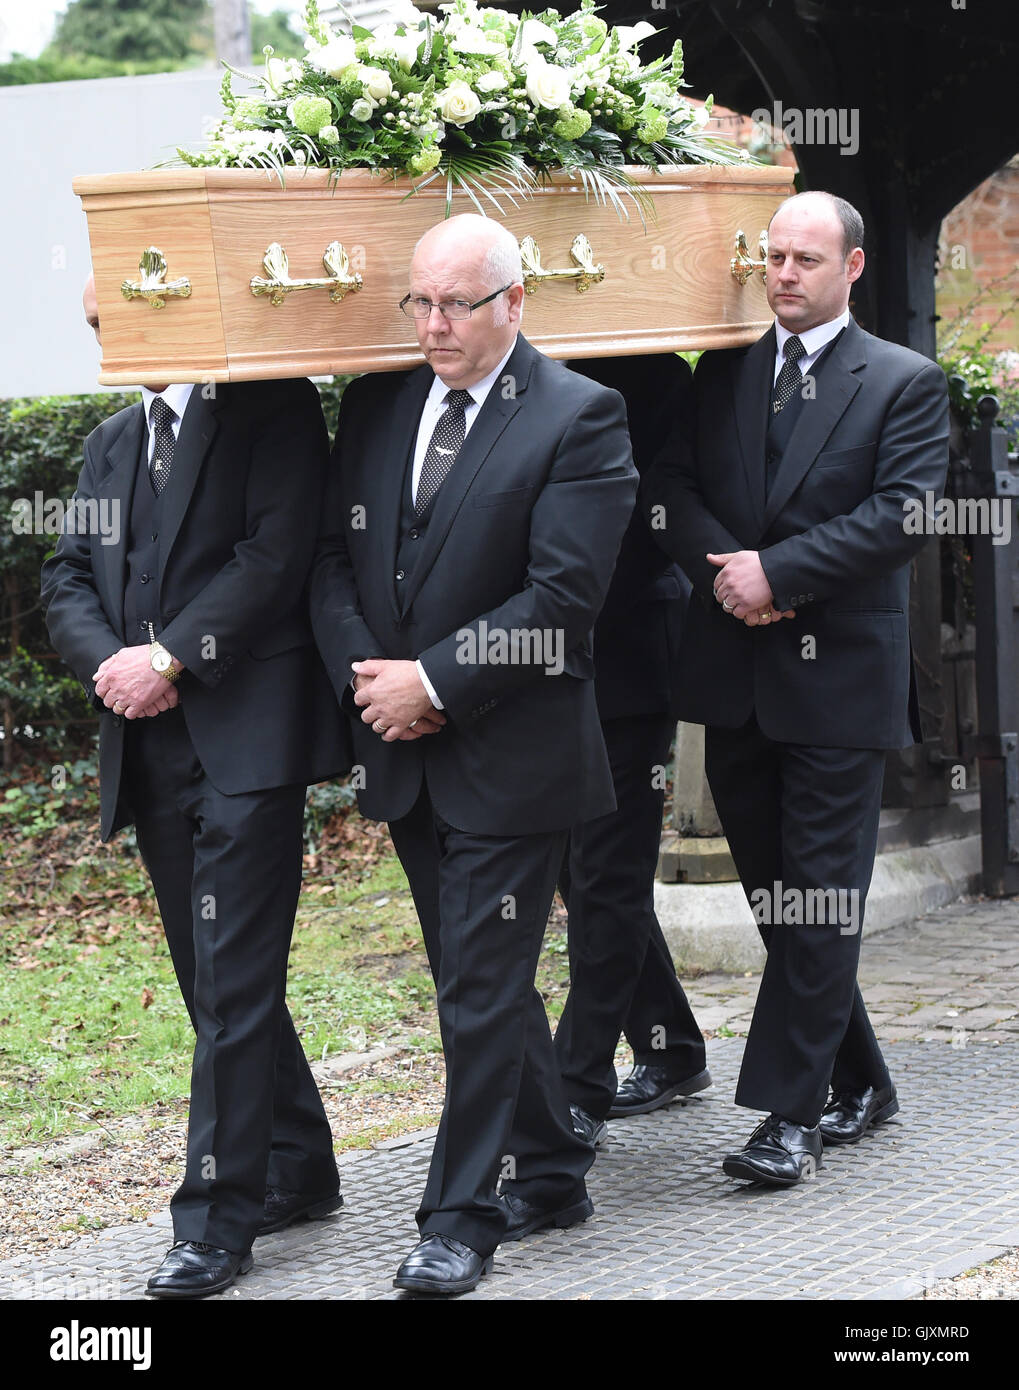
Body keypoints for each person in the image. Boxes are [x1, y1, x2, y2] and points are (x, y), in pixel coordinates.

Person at [310, 213, 637, 1294]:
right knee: (474, 977)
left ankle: (459, 1216)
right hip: (402, 745)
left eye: (456, 303)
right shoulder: (374, 405)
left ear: (514, 301)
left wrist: (435, 682)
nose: (433, 324)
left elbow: (563, 599)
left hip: (517, 756)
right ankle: (550, 1166)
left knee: (481, 985)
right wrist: (375, 680)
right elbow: (333, 560)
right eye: (419, 302)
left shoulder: (579, 415)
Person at [40, 277, 351, 1297]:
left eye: (118, 319)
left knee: (229, 980)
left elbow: (273, 557)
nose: (106, 339)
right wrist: (115, 669)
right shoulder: (110, 445)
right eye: (95, 325)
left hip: (246, 743)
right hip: (148, 744)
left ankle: (216, 1221)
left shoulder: (270, 405)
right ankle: (300, 1163)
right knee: (210, 979)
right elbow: (66, 580)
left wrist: (169, 657)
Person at [644, 191, 948, 1186]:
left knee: (818, 897)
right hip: (733, 676)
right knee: (790, 906)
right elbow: (673, 489)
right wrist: (723, 573)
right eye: (771, 256)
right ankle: (859, 1075)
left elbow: (901, 515)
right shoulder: (720, 373)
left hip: (839, 685)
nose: (781, 273)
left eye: (804, 259)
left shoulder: (902, 383)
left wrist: (778, 573)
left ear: (850, 269)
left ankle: (790, 1114)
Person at [555, 354, 711, 1146]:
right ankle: (671, 1046)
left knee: (606, 874)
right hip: (533, 665)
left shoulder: (647, 378)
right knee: (578, 874)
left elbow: (650, 513)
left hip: (623, 658)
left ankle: (570, 1081)